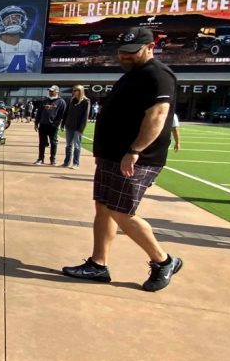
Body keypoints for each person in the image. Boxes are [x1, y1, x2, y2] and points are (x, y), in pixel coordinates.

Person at [62, 27, 182, 291]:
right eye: (122, 52)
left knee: (121, 211)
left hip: (137, 158)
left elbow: (157, 116)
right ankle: (98, 264)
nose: (125, 57)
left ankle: (163, 261)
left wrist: (135, 151)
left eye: (132, 52)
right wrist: (103, 152)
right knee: (104, 208)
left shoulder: (157, 75)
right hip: (113, 156)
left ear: (151, 47)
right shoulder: (133, 75)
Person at [34, 84, 66, 165]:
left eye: (52, 91)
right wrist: (36, 122)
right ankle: (40, 158)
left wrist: (57, 123)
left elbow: (62, 114)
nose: (50, 92)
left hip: (53, 126)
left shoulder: (61, 102)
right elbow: (39, 112)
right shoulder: (44, 100)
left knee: (53, 142)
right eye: (49, 91)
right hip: (43, 124)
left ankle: (53, 159)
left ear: (57, 92)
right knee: (42, 142)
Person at [62, 84, 90, 168]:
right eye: (73, 90)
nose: (73, 92)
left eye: (75, 90)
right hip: (69, 126)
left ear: (80, 91)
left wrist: (81, 129)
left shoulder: (86, 101)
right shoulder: (71, 100)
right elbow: (66, 113)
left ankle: (75, 163)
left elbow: (85, 116)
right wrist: (63, 124)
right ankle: (66, 162)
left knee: (77, 146)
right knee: (68, 145)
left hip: (77, 128)